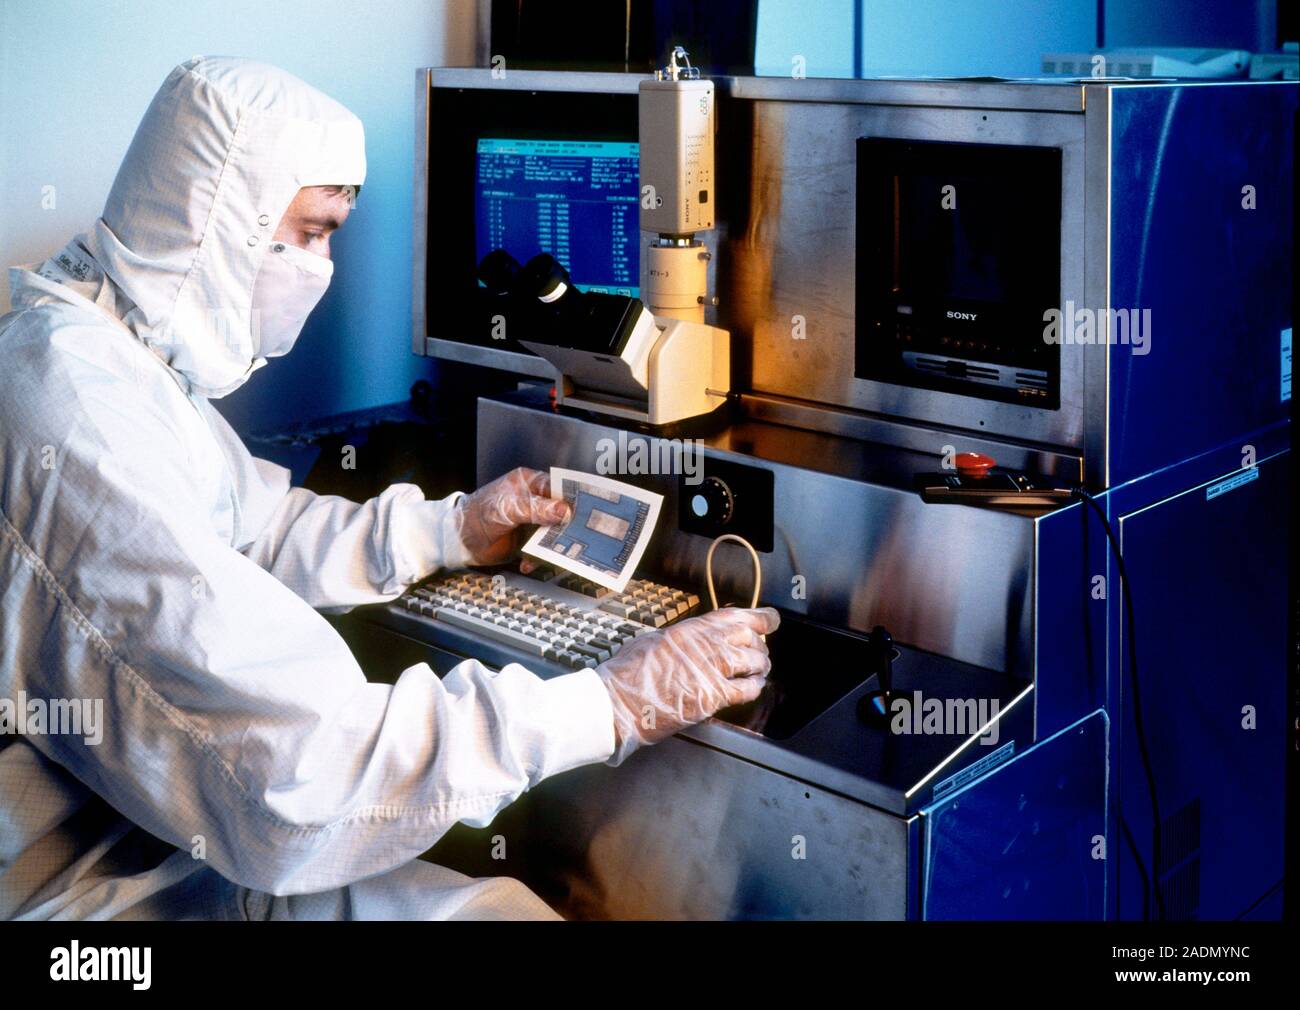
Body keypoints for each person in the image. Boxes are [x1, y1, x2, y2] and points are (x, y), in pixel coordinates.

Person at [0, 57, 778, 921]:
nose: (323, 266)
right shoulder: (76, 414)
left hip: (180, 840)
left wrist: (449, 533)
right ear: (214, 215)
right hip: (93, 891)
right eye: (313, 230)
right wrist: (611, 702)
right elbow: (303, 774)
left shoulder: (106, 352)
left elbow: (248, 534)